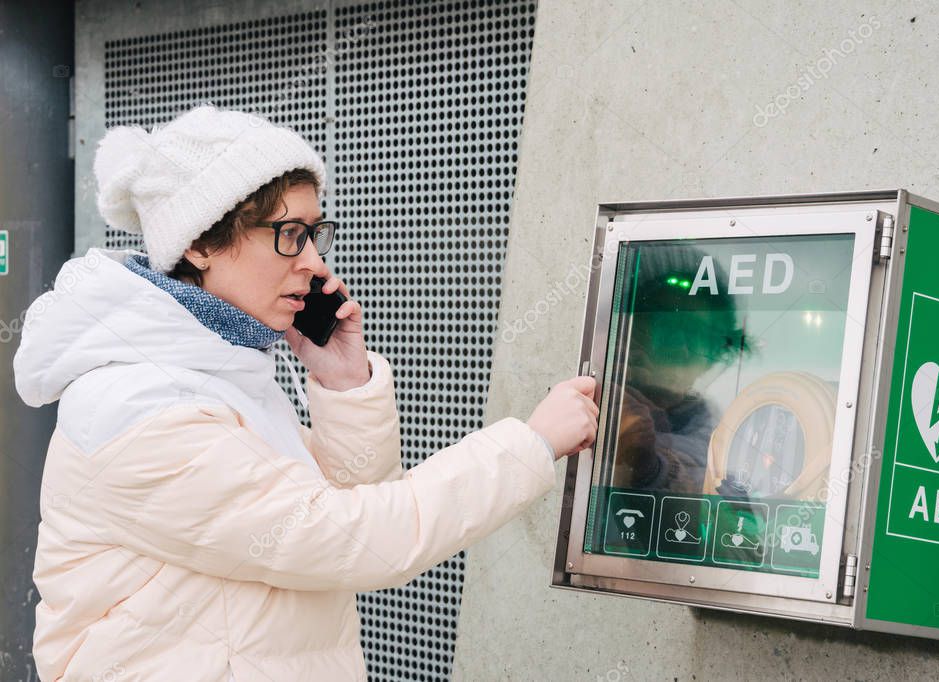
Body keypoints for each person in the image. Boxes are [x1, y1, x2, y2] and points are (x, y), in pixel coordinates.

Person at [12, 104, 598, 681]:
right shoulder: (139, 406)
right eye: (290, 235)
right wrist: (531, 444)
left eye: (316, 234)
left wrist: (344, 383)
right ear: (200, 245)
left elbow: (346, 502)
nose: (316, 264)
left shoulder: (219, 370)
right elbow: (354, 538)